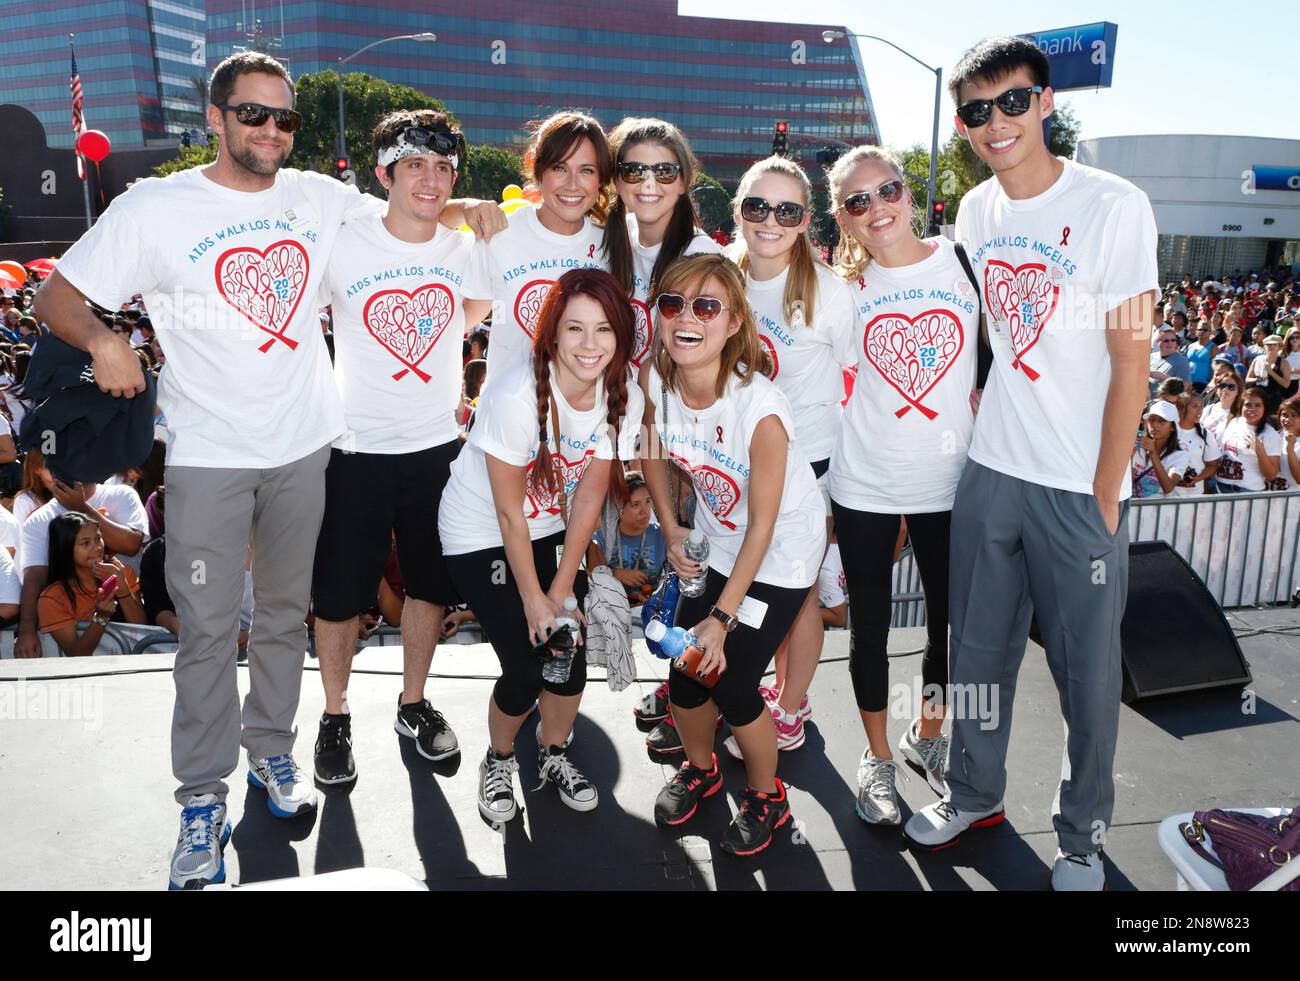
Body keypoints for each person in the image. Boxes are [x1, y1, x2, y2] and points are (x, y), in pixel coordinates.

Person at [33, 50, 506, 891]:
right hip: (209, 455)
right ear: (216, 118)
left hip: (306, 448)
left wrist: (472, 204)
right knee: (210, 631)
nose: (271, 130)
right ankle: (201, 797)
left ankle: (272, 755)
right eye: (253, 114)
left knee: (285, 616)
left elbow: (413, 202)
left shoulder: (318, 197)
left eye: (284, 117)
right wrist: (104, 340)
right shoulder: (154, 206)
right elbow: (55, 297)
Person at [903, 37, 1158, 892]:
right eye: (977, 111)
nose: (996, 122)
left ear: (1046, 102)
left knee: (1086, 676)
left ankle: (1082, 836)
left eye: (1013, 101)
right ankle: (974, 792)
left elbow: (1132, 360)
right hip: (991, 471)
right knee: (975, 656)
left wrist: (1106, 492)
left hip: (1077, 486)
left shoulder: (1115, 205)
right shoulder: (977, 210)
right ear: (963, 125)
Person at [310, 109, 493, 785]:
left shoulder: (465, 249)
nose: (431, 179)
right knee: (339, 596)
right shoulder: (343, 241)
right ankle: (335, 715)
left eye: (444, 167)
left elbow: (471, 312)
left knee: (430, 586)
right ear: (384, 173)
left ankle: (412, 703)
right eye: (415, 164)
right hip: (352, 451)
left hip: (437, 449)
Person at [639, 252, 825, 856]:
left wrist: (721, 618)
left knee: (732, 679)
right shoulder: (656, 382)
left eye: (707, 306)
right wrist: (671, 527)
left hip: (782, 550)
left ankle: (769, 796)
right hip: (720, 537)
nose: (687, 317)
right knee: (686, 674)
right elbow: (648, 447)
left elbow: (763, 526)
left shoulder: (759, 408)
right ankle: (703, 770)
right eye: (674, 303)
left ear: (735, 322)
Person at [439, 268, 642, 822]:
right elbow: (509, 513)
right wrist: (535, 600)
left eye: (604, 329)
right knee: (527, 665)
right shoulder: (515, 395)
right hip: (480, 530)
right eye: (575, 328)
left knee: (568, 650)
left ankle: (552, 753)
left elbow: (590, 496)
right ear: (552, 333)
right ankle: (499, 759)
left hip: (549, 524)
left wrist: (561, 592)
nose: (589, 344)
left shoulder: (625, 394)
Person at [823, 144, 980, 819]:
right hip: (865, 482)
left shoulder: (964, 262)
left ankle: (928, 732)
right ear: (843, 217)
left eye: (887, 190)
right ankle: (878, 756)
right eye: (857, 201)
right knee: (872, 627)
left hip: (952, 481)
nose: (877, 208)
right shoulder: (840, 290)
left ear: (909, 194)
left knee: (950, 624)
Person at [725, 154, 855, 759]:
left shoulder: (830, 293)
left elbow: (860, 377)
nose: (770, 221)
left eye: (786, 210)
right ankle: (748, 689)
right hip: (734, 462)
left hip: (807, 467)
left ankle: (792, 705)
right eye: (758, 206)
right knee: (744, 578)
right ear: (739, 211)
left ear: (805, 220)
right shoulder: (721, 276)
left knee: (797, 592)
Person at [480, 111, 612, 379]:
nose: (572, 184)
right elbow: (459, 321)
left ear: (600, 180)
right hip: (508, 403)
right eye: (559, 168)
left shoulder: (612, 244)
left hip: (583, 404)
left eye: (586, 170)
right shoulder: (499, 233)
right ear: (538, 171)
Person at [603, 117, 723, 368]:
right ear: (617, 181)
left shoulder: (699, 256)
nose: (649, 183)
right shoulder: (614, 236)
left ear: (683, 183)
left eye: (664, 172)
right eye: (634, 171)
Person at [38, 513, 146, 656]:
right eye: (85, 543)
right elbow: (76, 654)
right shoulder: (52, 598)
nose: (97, 547)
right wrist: (101, 617)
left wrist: (122, 589)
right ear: (65, 548)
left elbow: (143, 630)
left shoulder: (121, 572)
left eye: (98, 538)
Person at [587, 470, 667, 604]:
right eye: (635, 505)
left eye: (648, 502)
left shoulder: (662, 535)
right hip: (611, 611)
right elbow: (591, 574)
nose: (644, 511)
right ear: (619, 509)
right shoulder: (601, 538)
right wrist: (615, 574)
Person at [1215, 386, 1282, 493]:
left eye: (1258, 405)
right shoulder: (1233, 422)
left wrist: (1260, 451)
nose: (1252, 409)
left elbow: (1271, 475)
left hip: (1246, 492)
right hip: (1220, 487)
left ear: (1265, 408)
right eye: (1248, 405)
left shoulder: (1271, 435)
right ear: (1241, 407)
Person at [1130, 401, 1188, 498]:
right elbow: (1126, 485)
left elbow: (1168, 488)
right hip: (1131, 505)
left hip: (1157, 507)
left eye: (1162, 420)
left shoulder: (1181, 455)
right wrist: (1130, 456)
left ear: (1173, 427)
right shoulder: (1137, 446)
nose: (1155, 424)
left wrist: (1153, 454)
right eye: (1152, 419)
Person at [1170, 392, 1221, 497]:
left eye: (1201, 406)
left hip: (1194, 496)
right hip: (1167, 495)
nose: (1200, 411)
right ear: (1181, 408)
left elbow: (1212, 466)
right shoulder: (1169, 430)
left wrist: (1198, 478)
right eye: (1194, 406)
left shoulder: (1206, 434)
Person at [1246, 334, 1291, 409]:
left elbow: (1286, 384)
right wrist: (1257, 379)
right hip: (1256, 397)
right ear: (1264, 347)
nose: (1271, 346)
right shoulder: (1257, 360)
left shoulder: (1284, 363)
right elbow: (1247, 380)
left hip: (1273, 400)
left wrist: (1271, 373)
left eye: (1274, 344)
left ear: (1279, 347)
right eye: (1268, 344)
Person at [1149, 326, 1191, 396]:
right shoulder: (1152, 357)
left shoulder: (1182, 361)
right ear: (1158, 342)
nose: (1170, 343)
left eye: (1173, 340)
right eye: (1166, 341)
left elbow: (1184, 387)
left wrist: (1161, 376)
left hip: (1163, 400)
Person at [1184, 321, 1217, 393]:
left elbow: (1216, 368)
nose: (1202, 331)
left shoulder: (1213, 348)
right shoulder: (1190, 346)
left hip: (1203, 384)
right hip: (1189, 383)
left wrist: (1212, 383)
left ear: (1210, 332)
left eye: (1205, 330)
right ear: (1196, 331)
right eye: (1199, 329)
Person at [1277, 396, 1300, 489]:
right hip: (1273, 494)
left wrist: (1290, 450)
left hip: (1294, 496)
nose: (1287, 420)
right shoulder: (1276, 435)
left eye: (1294, 415)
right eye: (1284, 415)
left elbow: (1299, 479)